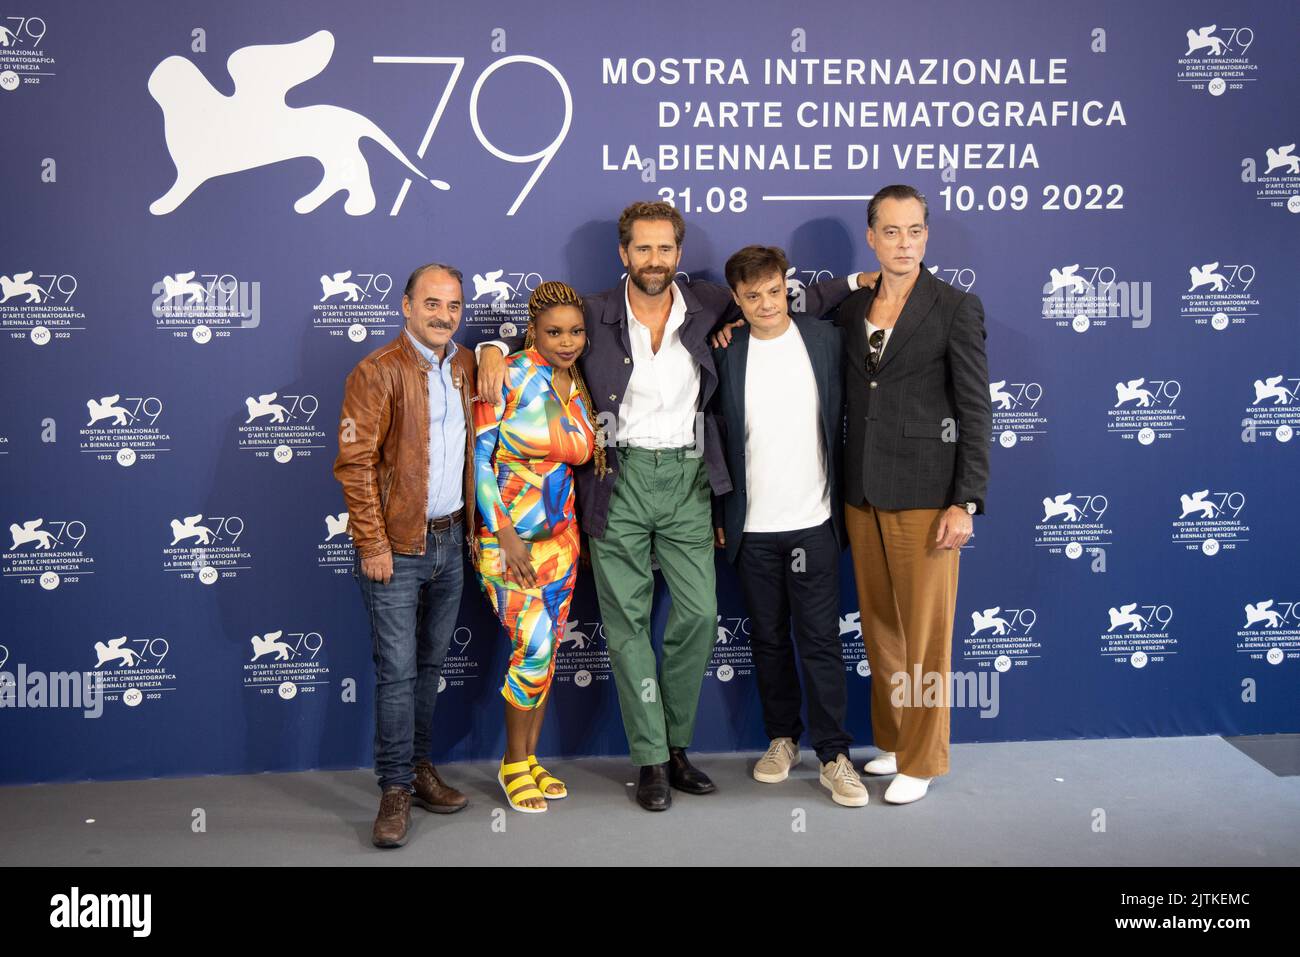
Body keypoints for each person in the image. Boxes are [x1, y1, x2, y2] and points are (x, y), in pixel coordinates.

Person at [476, 201, 869, 811]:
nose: (654, 260)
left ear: (678, 255)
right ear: (623, 254)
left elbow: (786, 304)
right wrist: (487, 352)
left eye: (665, 249)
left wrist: (856, 283)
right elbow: (537, 337)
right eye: (642, 249)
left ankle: (678, 744)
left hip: (689, 479)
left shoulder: (711, 303)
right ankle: (652, 758)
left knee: (699, 615)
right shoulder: (592, 314)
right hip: (618, 478)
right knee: (628, 624)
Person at [837, 185, 992, 804]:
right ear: (871, 237)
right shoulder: (851, 310)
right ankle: (897, 741)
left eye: (916, 231)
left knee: (927, 637)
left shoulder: (955, 307)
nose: (905, 243)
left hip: (928, 494)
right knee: (881, 628)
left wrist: (967, 499)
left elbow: (975, 410)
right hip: (862, 492)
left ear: (927, 235)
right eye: (892, 232)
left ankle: (924, 761)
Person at [711, 244, 865, 807]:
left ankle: (834, 754)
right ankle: (782, 739)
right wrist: (721, 514)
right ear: (736, 300)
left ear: (787, 287)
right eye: (752, 296)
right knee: (770, 640)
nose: (766, 304)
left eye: (774, 291)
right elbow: (714, 441)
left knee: (820, 641)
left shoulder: (824, 340)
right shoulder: (725, 352)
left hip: (814, 521)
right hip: (753, 528)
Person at [334, 262, 475, 848]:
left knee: (431, 667)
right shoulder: (377, 371)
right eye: (433, 304)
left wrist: (489, 348)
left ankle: (419, 770)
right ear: (407, 307)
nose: (444, 315)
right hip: (395, 546)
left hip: (451, 542)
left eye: (454, 306)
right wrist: (372, 542)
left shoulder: (465, 364)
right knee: (397, 674)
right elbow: (355, 463)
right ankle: (394, 789)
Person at [473, 281, 600, 813]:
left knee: (543, 661)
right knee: (535, 650)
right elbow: (479, 460)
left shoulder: (580, 383)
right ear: (532, 330)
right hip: (510, 544)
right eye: (554, 332)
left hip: (562, 544)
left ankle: (530, 761)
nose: (567, 341)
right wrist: (504, 535)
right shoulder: (510, 375)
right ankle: (510, 763)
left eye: (575, 332)